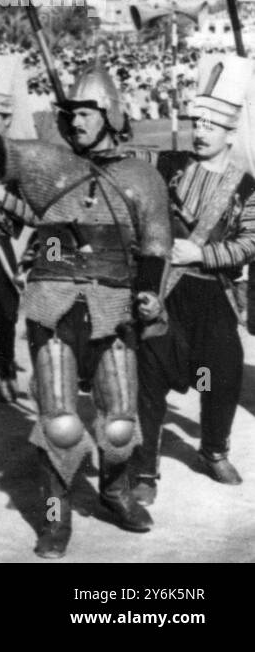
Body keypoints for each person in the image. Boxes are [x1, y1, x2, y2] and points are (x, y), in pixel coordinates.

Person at [0, 66, 170, 559]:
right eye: (72, 114)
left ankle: (115, 492)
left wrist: (148, 292)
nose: (76, 123)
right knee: (60, 422)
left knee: (120, 420)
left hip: (113, 303)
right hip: (54, 302)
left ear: (111, 115)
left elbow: (155, 245)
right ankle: (56, 521)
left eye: (86, 113)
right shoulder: (49, 164)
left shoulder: (143, 175)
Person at [133, 55, 255, 501]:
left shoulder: (246, 187)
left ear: (228, 133)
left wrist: (201, 252)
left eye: (211, 125)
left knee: (219, 374)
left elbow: (249, 243)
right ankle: (145, 471)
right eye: (196, 123)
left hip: (211, 296)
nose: (200, 131)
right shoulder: (166, 165)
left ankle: (213, 450)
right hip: (163, 293)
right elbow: (124, 176)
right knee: (150, 377)